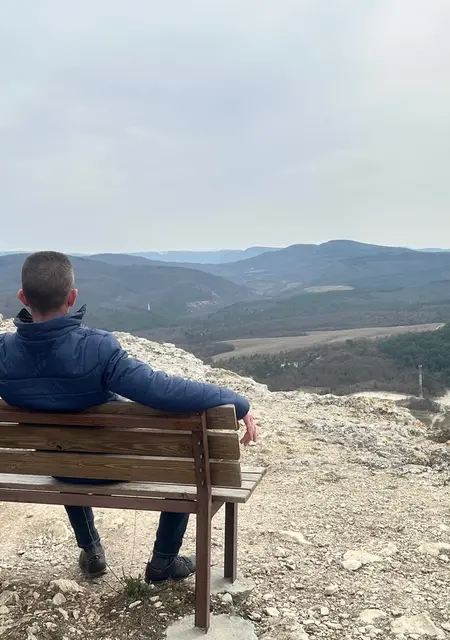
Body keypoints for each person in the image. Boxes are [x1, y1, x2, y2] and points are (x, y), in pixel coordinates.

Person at [0, 251, 257, 582]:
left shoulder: (4, 354)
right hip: (115, 467)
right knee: (185, 465)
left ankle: (91, 550)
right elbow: (162, 392)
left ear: (23, 297)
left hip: (57, 465)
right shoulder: (97, 348)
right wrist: (236, 402)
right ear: (72, 297)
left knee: (61, 444)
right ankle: (163, 561)